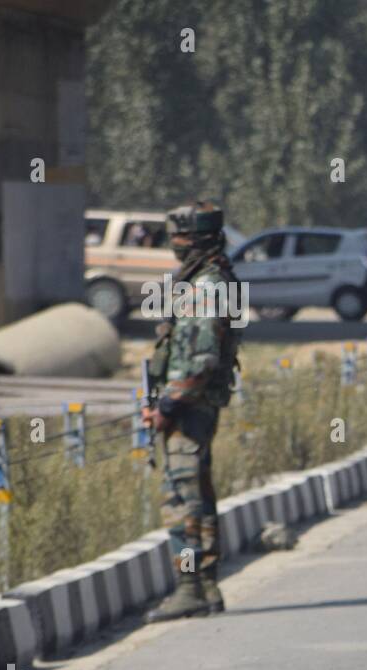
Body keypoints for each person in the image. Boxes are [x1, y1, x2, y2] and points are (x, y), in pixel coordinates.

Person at [143, 201, 242, 622]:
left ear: (196, 238)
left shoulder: (208, 286)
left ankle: (190, 587)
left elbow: (200, 360)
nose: (174, 245)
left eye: (179, 237)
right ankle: (205, 586)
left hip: (188, 407)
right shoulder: (205, 280)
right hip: (191, 404)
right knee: (195, 495)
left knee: (182, 500)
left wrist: (167, 405)